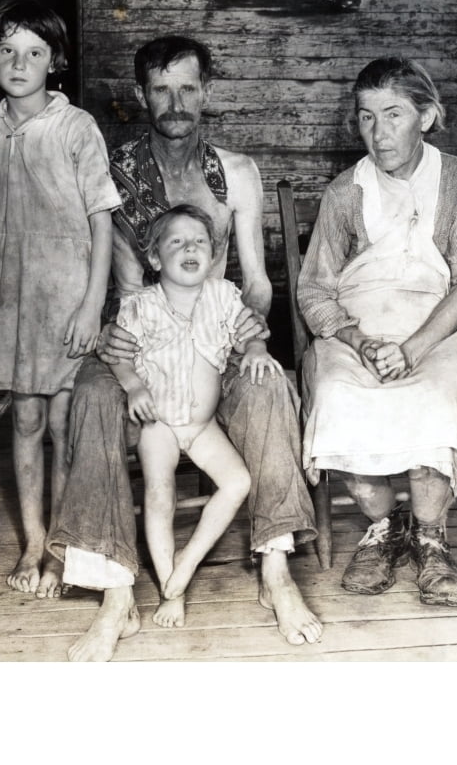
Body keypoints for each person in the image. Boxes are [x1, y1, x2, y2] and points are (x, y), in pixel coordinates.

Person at [48, 35, 321, 661]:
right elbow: (98, 272)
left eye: (188, 88)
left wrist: (249, 341)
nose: (176, 102)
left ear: (207, 92)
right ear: (141, 95)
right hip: (135, 332)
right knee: (89, 394)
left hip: (218, 331)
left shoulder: (237, 173)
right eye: (161, 89)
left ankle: (276, 569)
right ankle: (116, 589)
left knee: (270, 384)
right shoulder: (112, 172)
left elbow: (253, 280)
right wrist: (115, 338)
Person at [297, 57, 457, 608]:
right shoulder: (343, 193)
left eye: (394, 114)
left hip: (439, 329)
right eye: (365, 118)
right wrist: (359, 342)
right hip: (358, 332)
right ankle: (383, 529)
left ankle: (430, 537)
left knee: (431, 396)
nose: (379, 133)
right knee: (337, 394)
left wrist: (411, 350)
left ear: (426, 117)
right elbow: (314, 290)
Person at [0, 0, 120, 599]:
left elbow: (101, 219)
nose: (19, 62)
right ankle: (32, 539)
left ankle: (60, 545)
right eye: (7, 50)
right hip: (7, 298)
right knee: (23, 417)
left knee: (60, 421)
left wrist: (90, 305)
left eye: (33, 52)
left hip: (64, 296)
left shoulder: (76, 127)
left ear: (55, 61)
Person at [111, 204, 280, 628]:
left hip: (203, 427)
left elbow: (251, 332)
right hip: (160, 426)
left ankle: (187, 560)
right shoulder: (141, 305)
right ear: (154, 258)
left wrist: (256, 350)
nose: (191, 248)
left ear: (213, 252)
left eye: (200, 242)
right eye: (177, 242)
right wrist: (133, 385)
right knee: (159, 495)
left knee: (238, 481)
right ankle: (172, 590)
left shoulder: (224, 295)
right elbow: (120, 357)